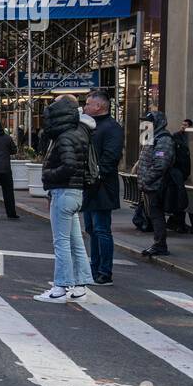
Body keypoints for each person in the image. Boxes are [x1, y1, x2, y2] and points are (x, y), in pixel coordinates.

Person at [34, 94, 93, 302]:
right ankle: (80, 285)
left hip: (64, 191)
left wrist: (47, 175)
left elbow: (68, 166)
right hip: (75, 193)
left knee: (61, 242)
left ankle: (60, 287)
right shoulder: (80, 132)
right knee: (75, 242)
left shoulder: (66, 136)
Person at [81, 87, 124, 285]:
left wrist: (95, 176)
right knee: (91, 228)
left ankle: (105, 272)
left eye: (88, 103)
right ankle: (94, 267)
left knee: (101, 229)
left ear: (99, 106)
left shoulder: (112, 128)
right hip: (90, 186)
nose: (85, 106)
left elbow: (111, 158)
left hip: (103, 187)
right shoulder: (89, 125)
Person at [137, 111, 174, 258]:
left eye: (149, 122)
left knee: (156, 214)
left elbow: (161, 164)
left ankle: (160, 245)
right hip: (150, 184)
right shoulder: (154, 137)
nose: (147, 125)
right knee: (153, 214)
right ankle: (158, 244)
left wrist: (146, 179)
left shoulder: (163, 139)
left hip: (156, 185)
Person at [165, 117, 191, 233]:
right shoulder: (176, 136)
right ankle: (177, 222)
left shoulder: (191, 138)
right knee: (179, 196)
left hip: (186, 172)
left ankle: (178, 222)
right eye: (182, 124)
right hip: (178, 171)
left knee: (181, 197)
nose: (183, 126)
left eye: (185, 125)